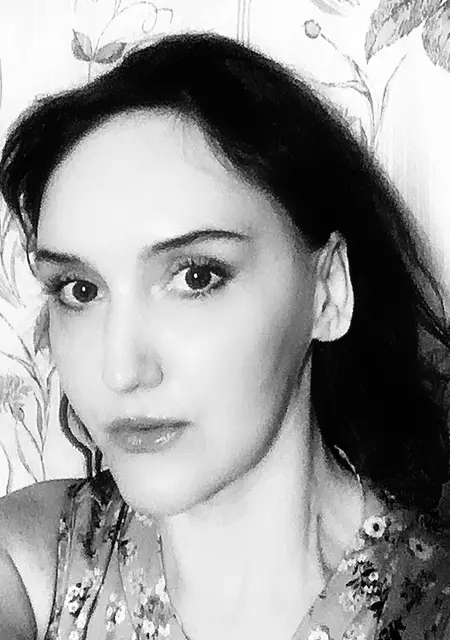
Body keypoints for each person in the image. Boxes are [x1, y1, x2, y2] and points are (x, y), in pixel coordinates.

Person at [0, 31, 449, 640]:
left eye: (195, 277)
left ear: (327, 291)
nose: (120, 370)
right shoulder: (37, 561)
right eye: (79, 290)